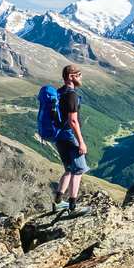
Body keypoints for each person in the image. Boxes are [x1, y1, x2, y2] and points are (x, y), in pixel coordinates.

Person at [52, 64, 91, 215]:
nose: (81, 77)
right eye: (79, 74)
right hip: (69, 136)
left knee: (69, 169)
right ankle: (72, 207)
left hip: (59, 136)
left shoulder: (59, 92)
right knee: (79, 170)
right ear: (71, 77)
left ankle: (58, 202)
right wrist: (81, 142)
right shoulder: (72, 95)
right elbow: (73, 121)